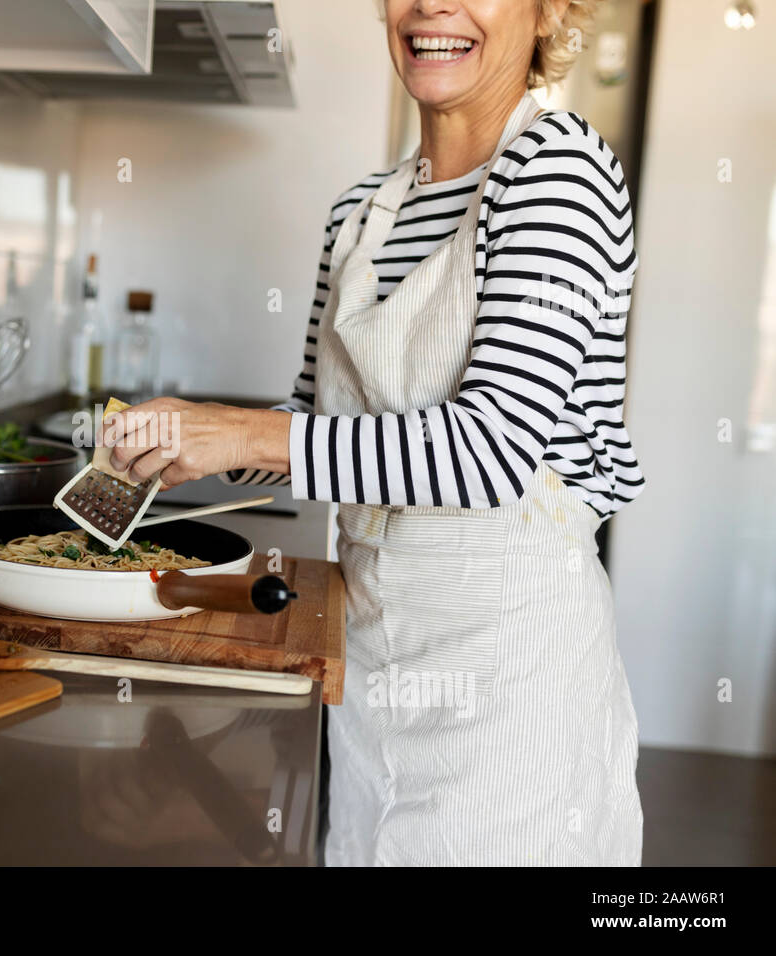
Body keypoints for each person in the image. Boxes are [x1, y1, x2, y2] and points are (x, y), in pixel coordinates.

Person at [102, 0, 644, 865]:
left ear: (550, 11)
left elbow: (492, 450)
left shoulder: (559, 174)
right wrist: (187, 443)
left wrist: (241, 436)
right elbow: (321, 429)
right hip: (369, 663)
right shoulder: (360, 213)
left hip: (510, 692)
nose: (432, 5)